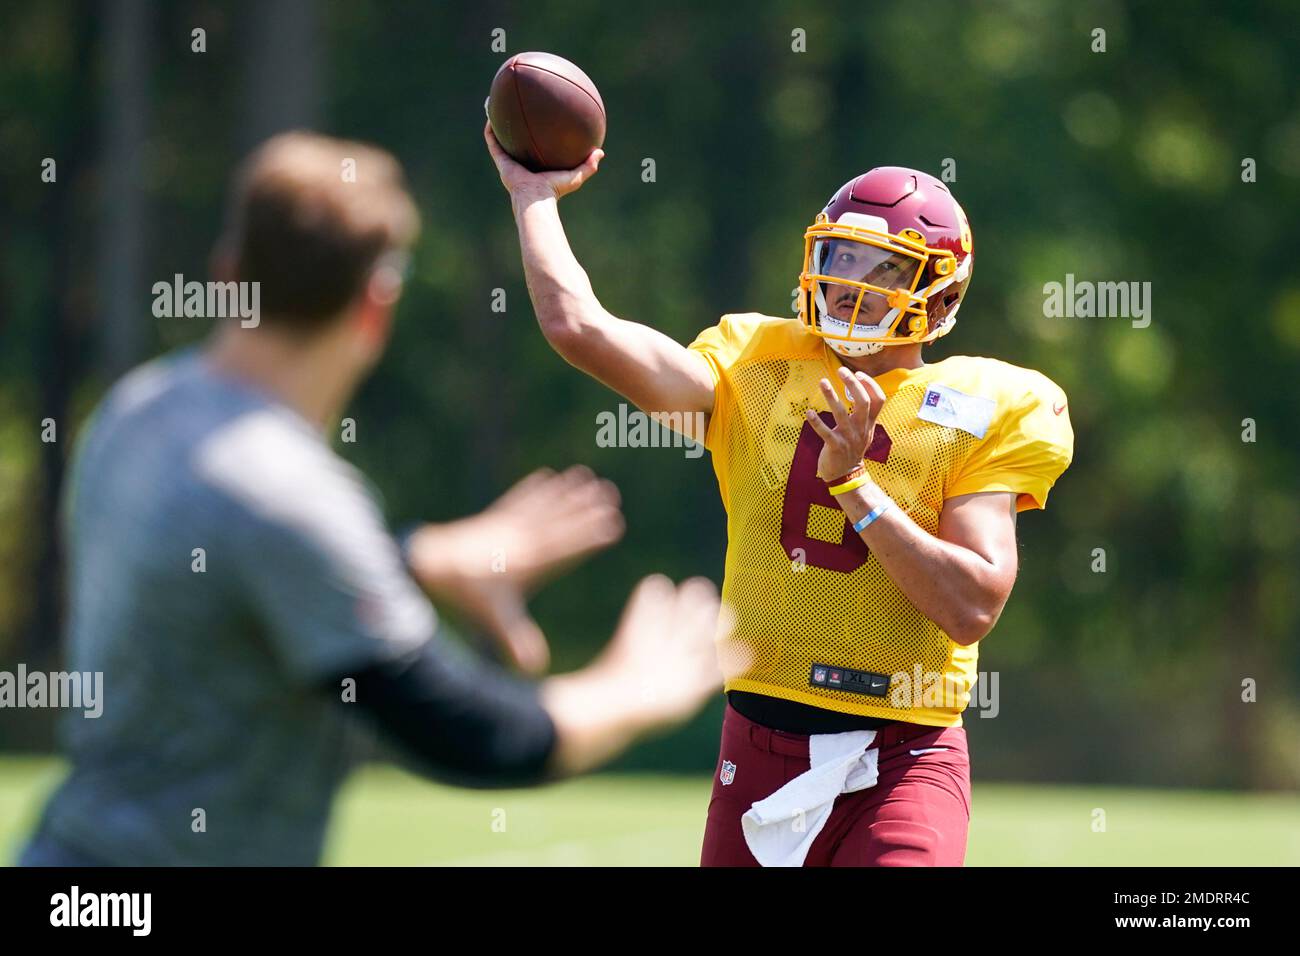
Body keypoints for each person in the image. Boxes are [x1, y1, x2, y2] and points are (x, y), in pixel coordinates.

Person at [19, 131, 724, 867]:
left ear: (230, 272)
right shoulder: (288, 494)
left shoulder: (135, 412)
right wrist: (635, 688)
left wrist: (422, 557)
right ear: (376, 304)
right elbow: (464, 729)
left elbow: (232, 571)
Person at [485, 123, 1074, 866]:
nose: (849, 279)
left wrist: (855, 487)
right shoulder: (754, 364)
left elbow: (972, 605)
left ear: (940, 289)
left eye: (881, 266)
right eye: (841, 255)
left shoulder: (990, 404)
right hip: (758, 746)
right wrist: (533, 196)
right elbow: (579, 326)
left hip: (904, 758)